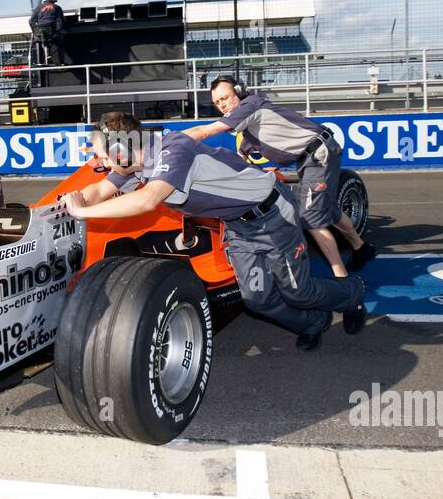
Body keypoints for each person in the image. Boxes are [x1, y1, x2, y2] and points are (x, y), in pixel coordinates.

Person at [60, 112, 366, 351]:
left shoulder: (171, 149)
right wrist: (68, 203)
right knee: (258, 300)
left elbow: (148, 199)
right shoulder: (135, 163)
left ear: (121, 147)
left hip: (272, 215)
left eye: (102, 153)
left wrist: (83, 212)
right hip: (239, 225)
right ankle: (314, 323)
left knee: (298, 292)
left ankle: (353, 294)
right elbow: (100, 188)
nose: (98, 160)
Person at [185, 76, 376, 279]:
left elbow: (205, 131)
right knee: (327, 208)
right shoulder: (247, 132)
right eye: (217, 102)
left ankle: (342, 279)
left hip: (318, 153)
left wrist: (169, 140)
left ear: (239, 92)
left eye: (225, 98)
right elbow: (240, 161)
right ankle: (361, 248)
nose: (222, 105)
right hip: (310, 158)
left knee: (309, 218)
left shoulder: (251, 105)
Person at [28, 0, 64, 70]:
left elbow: (31, 22)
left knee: (43, 40)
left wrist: (35, 33)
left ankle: (47, 54)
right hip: (53, 34)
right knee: (60, 43)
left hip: (41, 34)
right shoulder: (57, 7)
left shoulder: (38, 8)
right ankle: (61, 62)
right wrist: (57, 30)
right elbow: (61, 21)